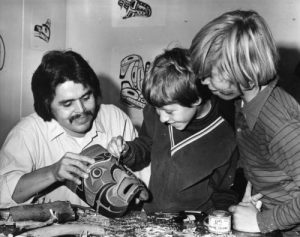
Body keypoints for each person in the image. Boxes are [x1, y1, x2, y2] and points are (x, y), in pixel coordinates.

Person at [190, 9, 300, 236]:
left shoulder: (278, 123)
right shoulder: (242, 103)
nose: (203, 80)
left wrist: (262, 222)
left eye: (211, 74)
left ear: (243, 70)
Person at [107, 47, 239, 214]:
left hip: (194, 223)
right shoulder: (159, 112)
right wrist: (127, 151)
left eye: (169, 111)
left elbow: (225, 191)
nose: (162, 118)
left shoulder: (226, 133)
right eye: (157, 109)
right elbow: (146, 146)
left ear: (196, 99)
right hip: (152, 216)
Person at [0, 50, 137, 207]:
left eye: (86, 97)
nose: (81, 110)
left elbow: (144, 178)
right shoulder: (26, 132)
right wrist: (52, 173)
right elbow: (3, 194)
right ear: (47, 104)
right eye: (67, 103)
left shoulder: (115, 118)